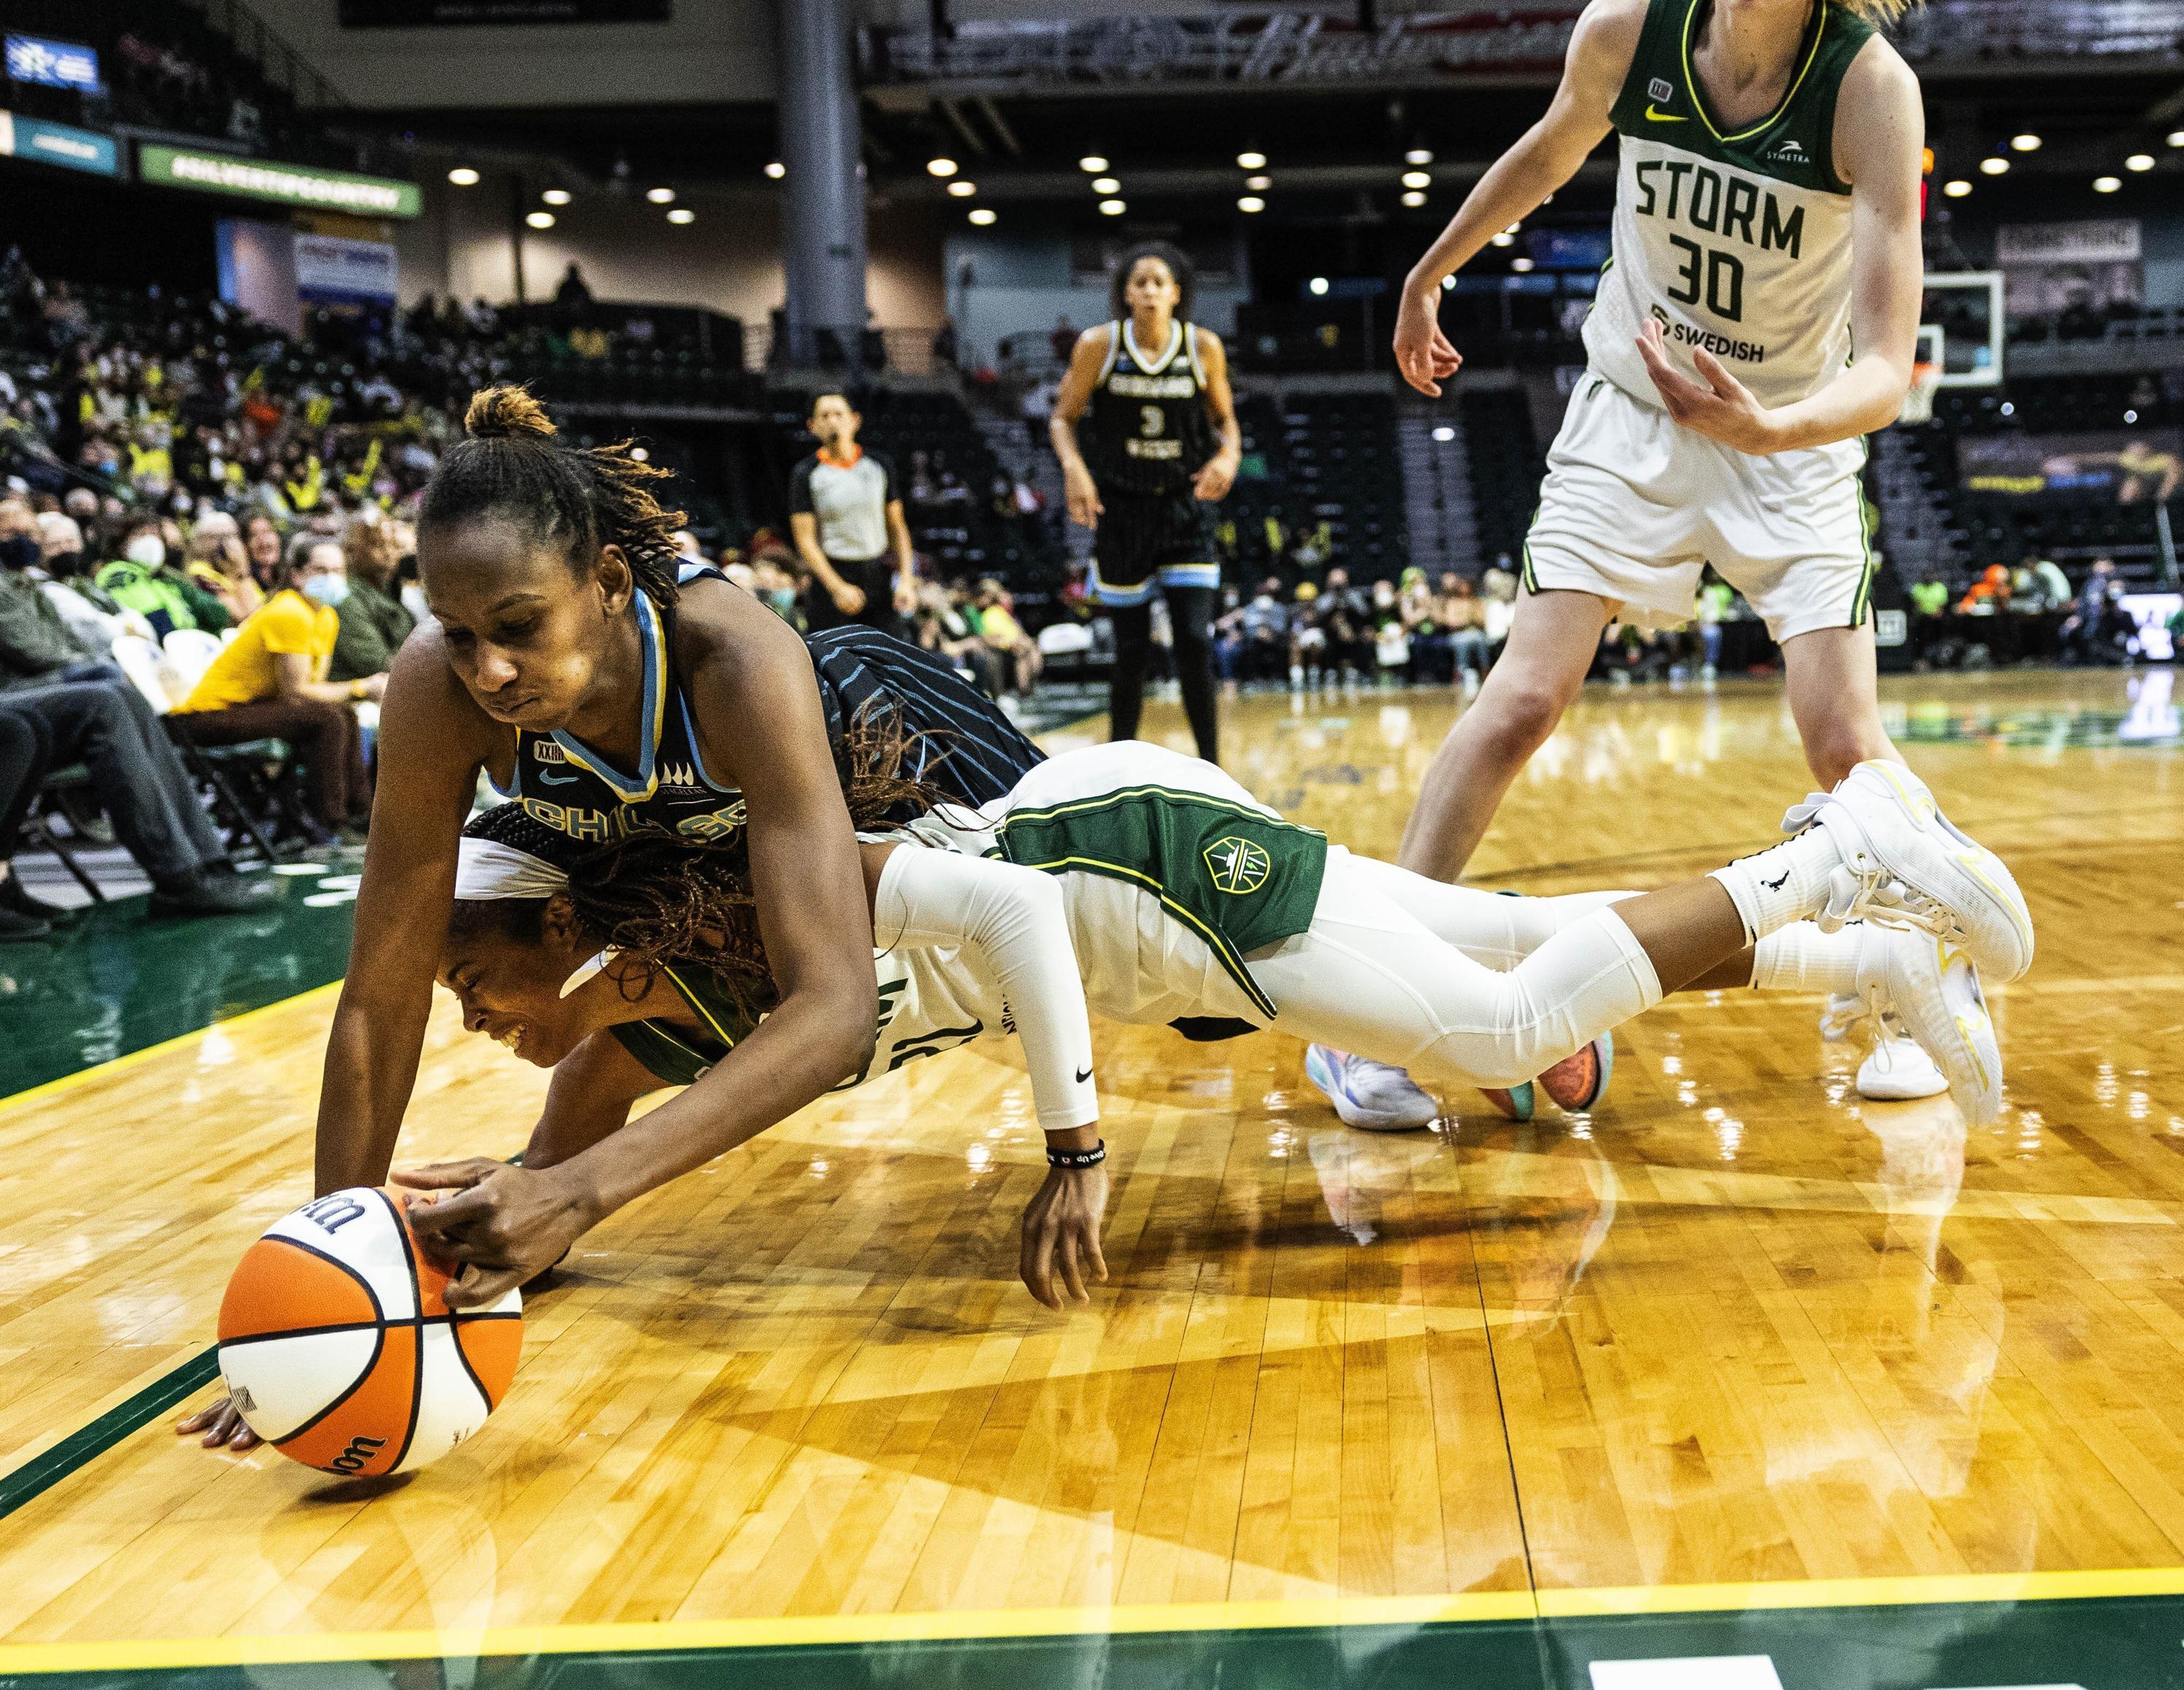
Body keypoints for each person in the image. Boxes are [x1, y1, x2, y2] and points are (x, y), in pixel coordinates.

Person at [400, 736, 2030, 1314]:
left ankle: (1832, 847)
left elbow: (1019, 913)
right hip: (1132, 882)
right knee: (1529, 937)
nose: (476, 1027)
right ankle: (1879, 961)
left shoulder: (766, 902)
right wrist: (431, 1250)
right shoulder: (626, 1023)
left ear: (557, 928)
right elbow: (556, 1187)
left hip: (1128, 871)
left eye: (474, 991)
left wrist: (1077, 1151)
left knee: (1500, 1028)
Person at [178, 386, 1043, 1453]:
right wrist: (331, 1281)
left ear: (608, 583)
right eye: (455, 634)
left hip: (906, 755)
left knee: (1136, 951)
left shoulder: (734, 659)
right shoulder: (440, 693)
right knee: (669, 984)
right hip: (685, 820)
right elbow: (382, 990)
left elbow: (835, 1010)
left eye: (516, 628)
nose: (485, 670)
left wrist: (575, 1196)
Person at [1326, 0, 1930, 1128]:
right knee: (1519, 700)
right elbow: (1552, 147)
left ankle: (1913, 984)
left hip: (1787, 433)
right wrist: (1428, 273)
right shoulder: (1626, 30)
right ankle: (1376, 1006)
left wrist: (1771, 431)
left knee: (1845, 741)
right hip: (1631, 418)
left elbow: (1890, 368)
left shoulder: (1870, 89)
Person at [0, 511, 268, 919]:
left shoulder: (26, 582)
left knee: (122, 693)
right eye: (12, 532)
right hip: (16, 692)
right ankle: (178, 879)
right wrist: (87, 664)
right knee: (104, 694)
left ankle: (208, 860)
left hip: (38, 694)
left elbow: (63, 642)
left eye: (28, 532)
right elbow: (31, 650)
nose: (24, 539)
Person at [1050, 241, 1241, 765]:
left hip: (1186, 506)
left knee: (1195, 644)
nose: (1150, 290)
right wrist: (1074, 469)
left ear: (1176, 294)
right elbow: (1062, 418)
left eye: (1160, 282)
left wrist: (1229, 457)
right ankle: (1117, 771)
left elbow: (1225, 421)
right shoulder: (1098, 346)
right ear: (1126, 295)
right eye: (1140, 283)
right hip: (1122, 508)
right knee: (1130, 651)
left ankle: (1212, 768)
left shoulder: (1203, 347)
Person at [167, 536, 381, 844]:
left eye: (338, 570)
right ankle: (331, 823)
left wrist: (357, 692)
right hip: (205, 718)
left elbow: (312, 688)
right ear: (297, 575)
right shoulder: (290, 613)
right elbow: (296, 693)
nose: (332, 578)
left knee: (341, 713)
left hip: (250, 708)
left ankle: (360, 813)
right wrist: (363, 687)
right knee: (328, 719)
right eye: (321, 570)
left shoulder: (326, 616)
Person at [788, 392, 917, 636]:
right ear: (812, 427)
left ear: (855, 420)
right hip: (833, 575)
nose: (833, 421)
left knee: (891, 658)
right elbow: (805, 540)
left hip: (878, 573)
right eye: (824, 416)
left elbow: (898, 528)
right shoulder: (806, 473)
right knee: (830, 660)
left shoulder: (880, 466)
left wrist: (907, 581)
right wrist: (836, 587)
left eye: (839, 414)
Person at [330, 517, 416, 683]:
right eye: (378, 545)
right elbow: (376, 663)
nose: (389, 553)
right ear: (352, 551)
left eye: (393, 545)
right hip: (359, 691)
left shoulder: (392, 587)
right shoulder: (345, 596)